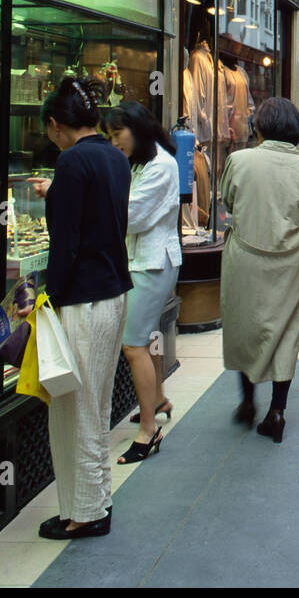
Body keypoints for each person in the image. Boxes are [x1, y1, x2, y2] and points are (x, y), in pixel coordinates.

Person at [26, 77, 131, 540]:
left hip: (83, 299)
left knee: (76, 409)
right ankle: (89, 502)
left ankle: (86, 512)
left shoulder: (70, 162)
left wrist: (48, 297)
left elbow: (64, 244)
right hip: (112, 291)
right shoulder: (114, 156)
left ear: (55, 124)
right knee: (94, 402)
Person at [219, 97, 299, 443]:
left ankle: (247, 402)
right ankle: (277, 410)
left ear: (259, 127)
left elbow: (228, 203)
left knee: (244, 325)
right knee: (285, 330)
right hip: (290, 260)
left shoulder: (239, 160)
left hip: (245, 257)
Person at [101, 102, 181, 463]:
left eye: (118, 134)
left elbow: (131, 217)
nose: (113, 141)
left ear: (137, 130)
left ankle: (148, 430)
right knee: (147, 338)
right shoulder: (141, 162)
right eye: (109, 136)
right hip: (143, 260)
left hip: (152, 263)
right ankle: (159, 399)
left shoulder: (160, 166)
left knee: (133, 346)